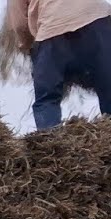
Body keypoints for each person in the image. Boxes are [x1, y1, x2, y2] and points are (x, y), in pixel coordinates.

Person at [8, 0, 111, 129]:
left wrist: (28, 45)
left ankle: (51, 143)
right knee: (108, 85)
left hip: (52, 31)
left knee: (47, 99)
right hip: (97, 19)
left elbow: (19, 25)